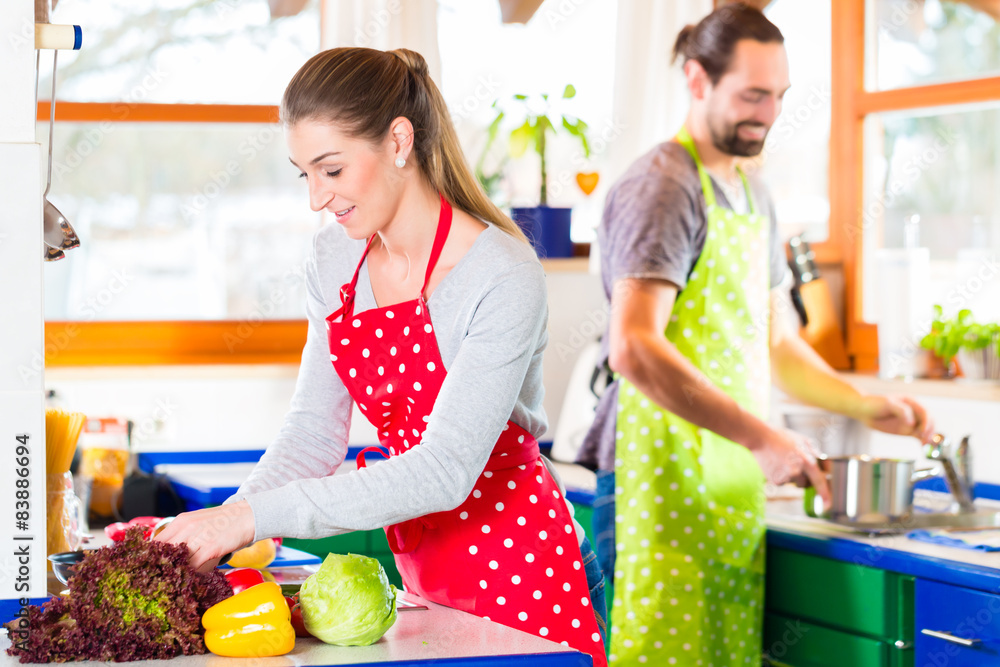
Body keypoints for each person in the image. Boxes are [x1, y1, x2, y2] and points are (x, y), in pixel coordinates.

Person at [154, 47, 607, 665]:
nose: (317, 198)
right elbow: (313, 433)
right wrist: (229, 521)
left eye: (332, 170)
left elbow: (444, 471)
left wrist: (252, 518)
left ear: (399, 141)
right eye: (303, 173)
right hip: (421, 572)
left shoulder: (502, 272)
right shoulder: (337, 258)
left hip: (520, 569)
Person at [573, 5, 935, 665]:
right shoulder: (665, 186)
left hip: (724, 488)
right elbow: (634, 345)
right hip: (655, 488)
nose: (767, 114)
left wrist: (863, 405)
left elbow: (774, 342)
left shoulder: (751, 191)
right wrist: (763, 437)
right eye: (752, 95)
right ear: (696, 79)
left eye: (778, 97)